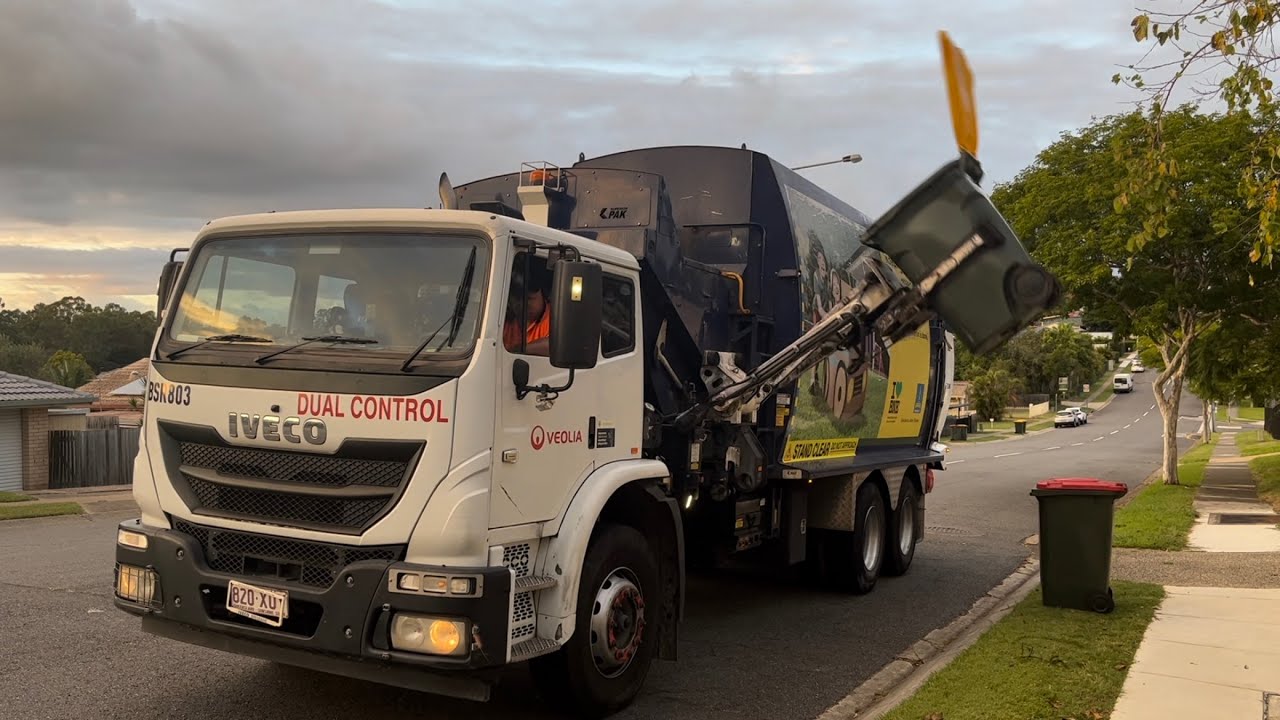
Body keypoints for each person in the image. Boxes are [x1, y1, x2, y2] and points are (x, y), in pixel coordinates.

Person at [503, 272, 551, 355]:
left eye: (529, 299)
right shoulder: (503, 317)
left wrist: (519, 349)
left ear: (543, 295)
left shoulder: (557, 317)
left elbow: (556, 345)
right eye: (517, 299)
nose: (524, 304)